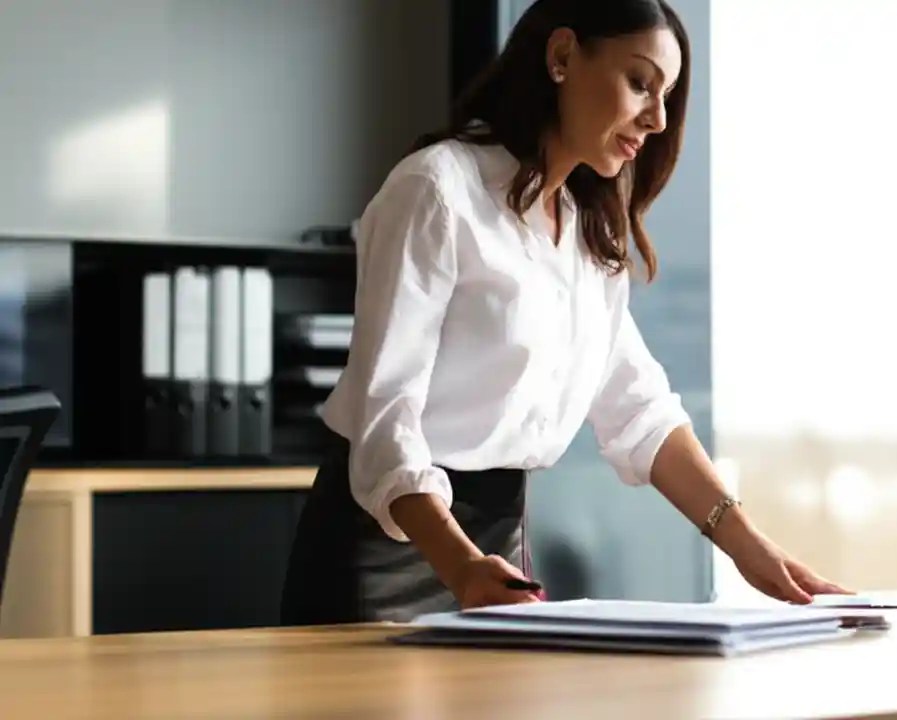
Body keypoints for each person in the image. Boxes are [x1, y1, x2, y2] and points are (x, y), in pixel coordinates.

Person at [280, 0, 849, 625]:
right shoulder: (436, 190)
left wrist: (748, 547)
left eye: (667, 96)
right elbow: (385, 417)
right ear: (560, 58)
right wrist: (459, 565)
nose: (657, 118)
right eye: (640, 83)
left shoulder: (584, 234)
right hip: (386, 551)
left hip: (494, 552)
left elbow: (641, 413)